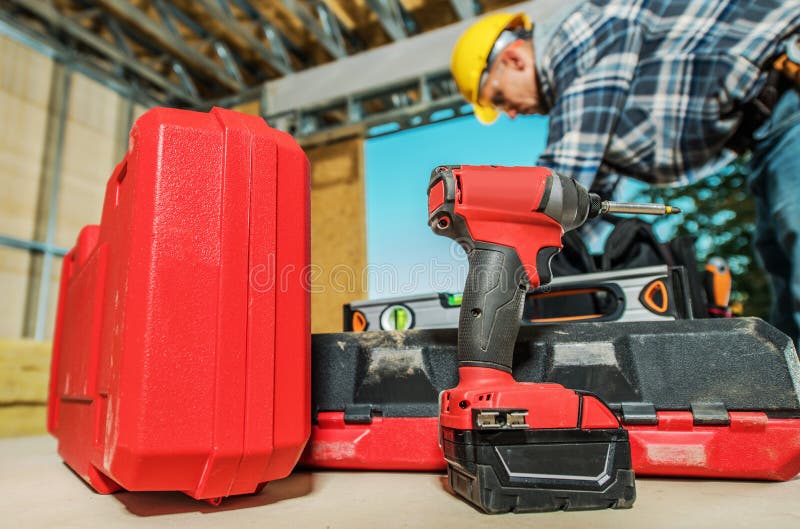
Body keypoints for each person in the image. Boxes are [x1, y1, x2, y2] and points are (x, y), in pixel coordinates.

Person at [450, 0, 800, 346]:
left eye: (498, 96)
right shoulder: (595, 90)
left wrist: (503, 272)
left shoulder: (576, 41)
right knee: (782, 270)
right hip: (769, 131)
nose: (509, 113)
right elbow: (580, 205)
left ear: (513, 58)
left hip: (789, 87)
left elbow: (556, 187)